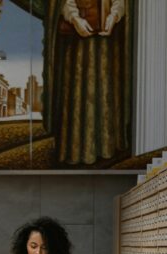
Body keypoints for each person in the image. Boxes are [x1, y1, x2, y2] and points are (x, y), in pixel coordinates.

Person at [42, 0, 133, 166]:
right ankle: (75, 149)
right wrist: (74, 18)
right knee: (77, 95)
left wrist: (114, 16)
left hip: (107, 42)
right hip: (76, 44)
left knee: (104, 92)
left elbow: (120, 2)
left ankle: (106, 146)